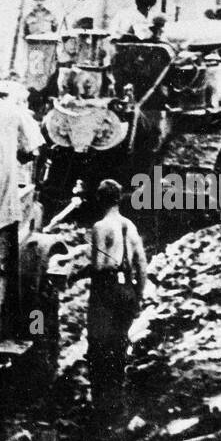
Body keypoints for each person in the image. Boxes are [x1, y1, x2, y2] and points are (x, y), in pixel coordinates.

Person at [85, 179, 147, 422]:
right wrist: (138, 296)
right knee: (119, 345)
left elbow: (98, 265)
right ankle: (117, 403)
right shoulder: (129, 226)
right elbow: (141, 264)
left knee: (99, 346)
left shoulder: (101, 227)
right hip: (127, 290)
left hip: (106, 289)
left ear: (100, 200)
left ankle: (100, 406)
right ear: (119, 199)